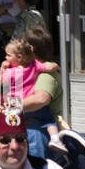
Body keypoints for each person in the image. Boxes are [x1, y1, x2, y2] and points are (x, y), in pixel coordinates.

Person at [1, 37, 61, 153]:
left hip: (36, 129)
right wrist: (58, 67)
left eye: (8, 55)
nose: (6, 58)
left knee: (34, 163)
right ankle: (55, 139)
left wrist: (8, 106)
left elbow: (40, 100)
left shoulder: (43, 75)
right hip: (30, 123)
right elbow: (50, 66)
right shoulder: (36, 67)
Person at [17, 26, 64, 159]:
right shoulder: (32, 69)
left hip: (39, 134)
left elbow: (40, 99)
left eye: (21, 45)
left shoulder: (46, 75)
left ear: (30, 49)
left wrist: (8, 106)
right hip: (28, 130)